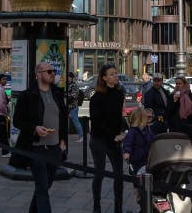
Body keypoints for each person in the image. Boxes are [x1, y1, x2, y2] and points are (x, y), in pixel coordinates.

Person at [12, 62, 67, 213]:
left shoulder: (57, 93)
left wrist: (63, 141)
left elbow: (63, 118)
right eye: (49, 71)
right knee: (42, 187)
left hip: (55, 148)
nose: (53, 74)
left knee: (45, 186)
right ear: (39, 74)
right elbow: (17, 120)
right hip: (35, 148)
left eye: (53, 71)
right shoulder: (28, 95)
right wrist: (34, 128)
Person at [89, 63, 127, 213]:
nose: (115, 76)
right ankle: (96, 206)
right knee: (99, 172)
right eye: (111, 74)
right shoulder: (96, 97)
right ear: (104, 78)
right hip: (99, 139)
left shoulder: (119, 94)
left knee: (119, 175)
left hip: (115, 140)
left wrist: (124, 131)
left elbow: (118, 117)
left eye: (116, 73)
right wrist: (114, 135)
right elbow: (97, 122)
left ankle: (118, 208)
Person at [122, 108, 155, 212]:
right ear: (140, 119)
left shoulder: (147, 130)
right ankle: (142, 204)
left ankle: (146, 204)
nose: (148, 119)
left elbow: (153, 139)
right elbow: (127, 143)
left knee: (146, 185)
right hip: (137, 163)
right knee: (139, 187)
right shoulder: (132, 132)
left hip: (146, 161)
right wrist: (127, 152)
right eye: (146, 117)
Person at [167, 76, 192, 147]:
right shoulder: (172, 96)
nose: (178, 85)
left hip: (188, 127)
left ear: (185, 84)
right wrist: (174, 102)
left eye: (180, 84)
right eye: (176, 84)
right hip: (176, 128)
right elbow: (168, 112)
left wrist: (191, 112)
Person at [66, 72, 84, 142]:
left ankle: (81, 136)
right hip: (67, 107)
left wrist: (66, 96)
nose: (68, 78)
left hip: (73, 107)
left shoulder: (74, 85)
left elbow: (73, 96)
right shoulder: (67, 84)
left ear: (71, 78)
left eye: (69, 77)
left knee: (76, 122)